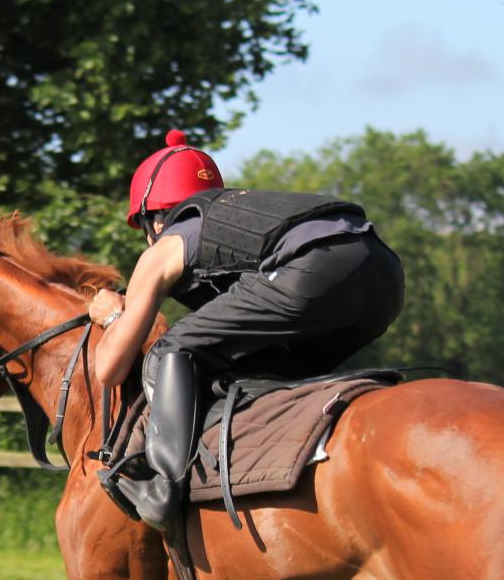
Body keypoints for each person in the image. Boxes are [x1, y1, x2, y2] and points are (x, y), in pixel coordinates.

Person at [89, 130, 405, 534]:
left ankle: (163, 489)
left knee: (172, 350)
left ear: (154, 218)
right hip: (384, 277)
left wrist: (114, 317)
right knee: (260, 371)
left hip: (313, 268)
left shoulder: (171, 241)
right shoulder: (237, 222)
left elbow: (109, 370)